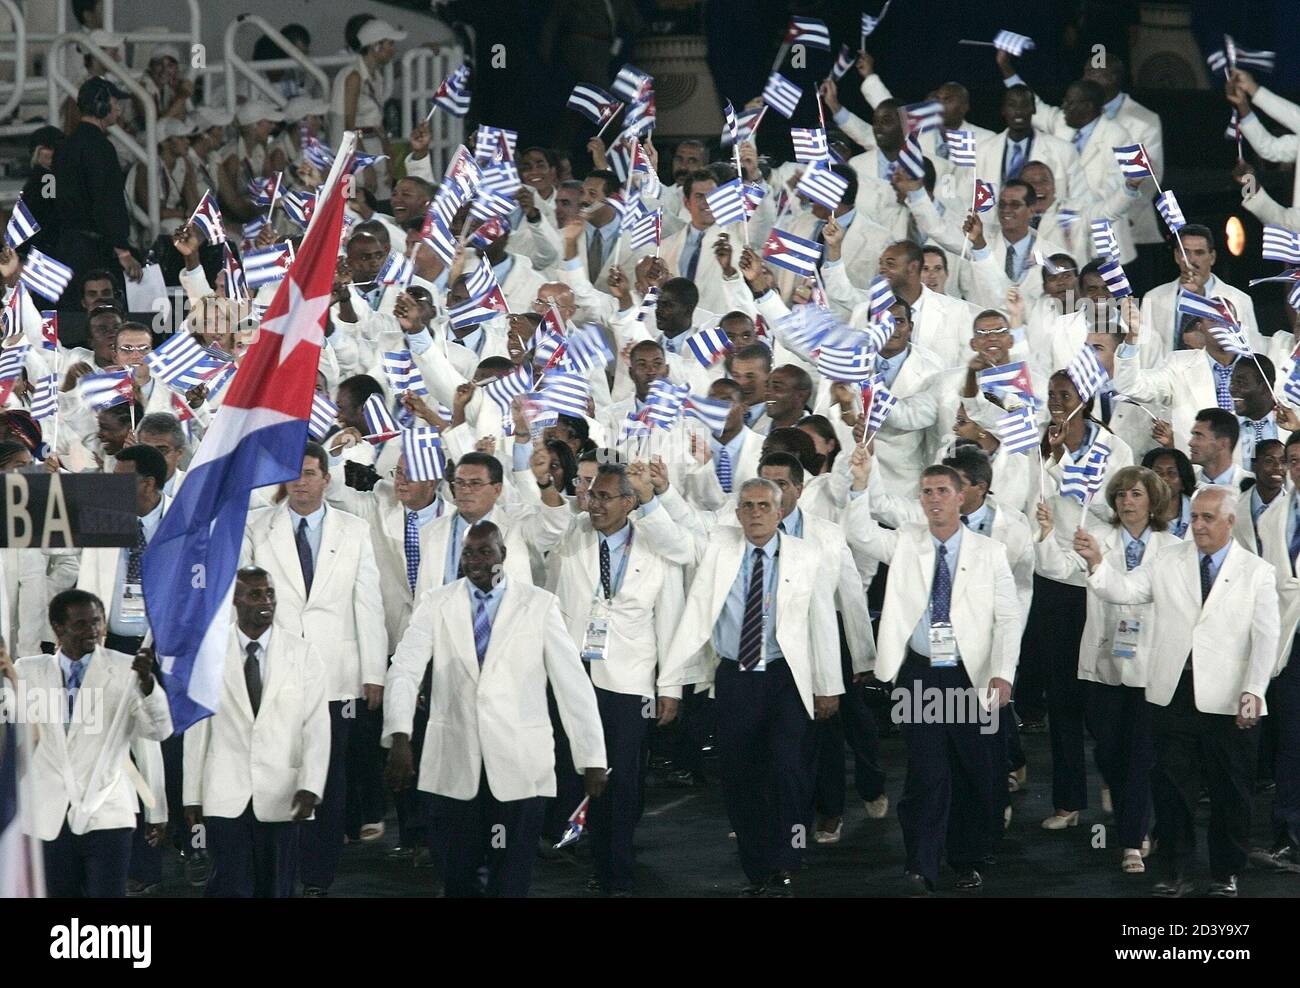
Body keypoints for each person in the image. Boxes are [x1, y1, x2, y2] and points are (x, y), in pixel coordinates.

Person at [384, 521, 608, 897]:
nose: (475, 561)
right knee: (458, 875)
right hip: (455, 764)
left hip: (520, 765)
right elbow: (404, 669)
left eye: (485, 551)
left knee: (510, 875)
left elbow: (573, 686)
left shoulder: (539, 605)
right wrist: (399, 735)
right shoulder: (436, 603)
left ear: (503, 554)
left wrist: (592, 758)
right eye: (468, 553)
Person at [1076, 485, 1278, 896]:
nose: (1198, 525)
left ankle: (1225, 873)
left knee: (1230, 792)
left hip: (1230, 698)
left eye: (1208, 518)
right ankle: (1174, 871)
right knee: (1171, 790)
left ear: (1230, 522)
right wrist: (1097, 562)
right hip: (1172, 694)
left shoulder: (1257, 571)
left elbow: (1266, 636)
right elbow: (1125, 591)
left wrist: (1254, 689)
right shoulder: (1168, 559)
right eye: (1195, 517)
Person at [846, 450, 1018, 895]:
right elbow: (860, 533)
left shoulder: (990, 552)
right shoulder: (906, 540)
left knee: (972, 773)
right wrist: (861, 483)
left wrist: (1002, 673)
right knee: (926, 773)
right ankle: (921, 864)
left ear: (961, 497)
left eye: (942, 490)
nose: (934, 499)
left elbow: (1007, 618)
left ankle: (967, 860)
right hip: (921, 676)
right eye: (926, 492)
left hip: (971, 677)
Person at [662, 478, 843, 896]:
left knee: (788, 770)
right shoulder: (718, 548)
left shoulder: (806, 555)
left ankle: (787, 858)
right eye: (748, 505)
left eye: (764, 505)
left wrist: (827, 684)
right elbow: (676, 540)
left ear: (780, 512)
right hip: (736, 677)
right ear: (737, 513)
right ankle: (758, 869)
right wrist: (657, 496)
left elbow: (821, 621)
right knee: (740, 776)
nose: (756, 512)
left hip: (786, 676)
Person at [240, 443, 387, 896]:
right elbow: (241, 602)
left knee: (329, 774)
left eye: (309, 473)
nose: (300, 482)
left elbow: (368, 601)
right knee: (280, 769)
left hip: (337, 673)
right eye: (293, 473)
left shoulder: (355, 529)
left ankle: (318, 876)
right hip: (276, 669)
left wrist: (374, 671)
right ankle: (280, 869)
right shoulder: (257, 527)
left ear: (326, 478)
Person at [546, 462, 692, 894]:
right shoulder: (572, 536)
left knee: (622, 778)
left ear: (629, 502)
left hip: (629, 682)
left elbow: (670, 621)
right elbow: (548, 597)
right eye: (591, 494)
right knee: (575, 770)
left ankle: (617, 866)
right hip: (574, 674)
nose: (594, 504)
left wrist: (670, 688)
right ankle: (588, 849)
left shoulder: (655, 548)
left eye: (605, 496)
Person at [1035, 466, 1180, 872]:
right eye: (1120, 495)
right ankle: (1134, 816)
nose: (1126, 501)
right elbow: (1058, 569)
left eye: (1135, 494)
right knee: (1109, 752)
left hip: (1150, 664)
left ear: (1153, 500)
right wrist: (1047, 534)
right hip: (1105, 663)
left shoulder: (1173, 547)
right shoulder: (1098, 537)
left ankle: (1133, 839)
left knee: (1140, 755)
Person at [4, 589, 173, 897]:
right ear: (58, 628)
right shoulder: (28, 671)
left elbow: (157, 732)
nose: (93, 631)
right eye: (81, 624)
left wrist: (149, 688)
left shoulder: (126, 669)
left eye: (97, 622)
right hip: (47, 816)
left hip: (107, 813)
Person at [183, 568, 330, 897]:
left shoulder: (303, 653)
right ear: (235, 601)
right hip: (224, 792)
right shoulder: (209, 653)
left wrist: (311, 785)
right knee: (228, 886)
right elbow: (197, 729)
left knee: (276, 888)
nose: (266, 601)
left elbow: (317, 727)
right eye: (255, 594)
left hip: (283, 792)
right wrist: (192, 795)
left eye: (270, 593)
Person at [51, 76, 143, 303]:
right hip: (94, 249)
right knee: (101, 308)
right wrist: (123, 251)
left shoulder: (64, 146)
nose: (118, 108)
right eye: (115, 102)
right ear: (100, 105)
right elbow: (107, 201)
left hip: (67, 245)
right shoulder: (101, 147)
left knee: (76, 309)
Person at [330, 18, 406, 201]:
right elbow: (349, 125)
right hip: (355, 152)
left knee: (381, 200)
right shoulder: (354, 77)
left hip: (370, 145)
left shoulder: (375, 76)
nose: (393, 50)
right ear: (375, 46)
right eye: (389, 44)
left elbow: (375, 122)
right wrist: (365, 164)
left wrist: (387, 151)